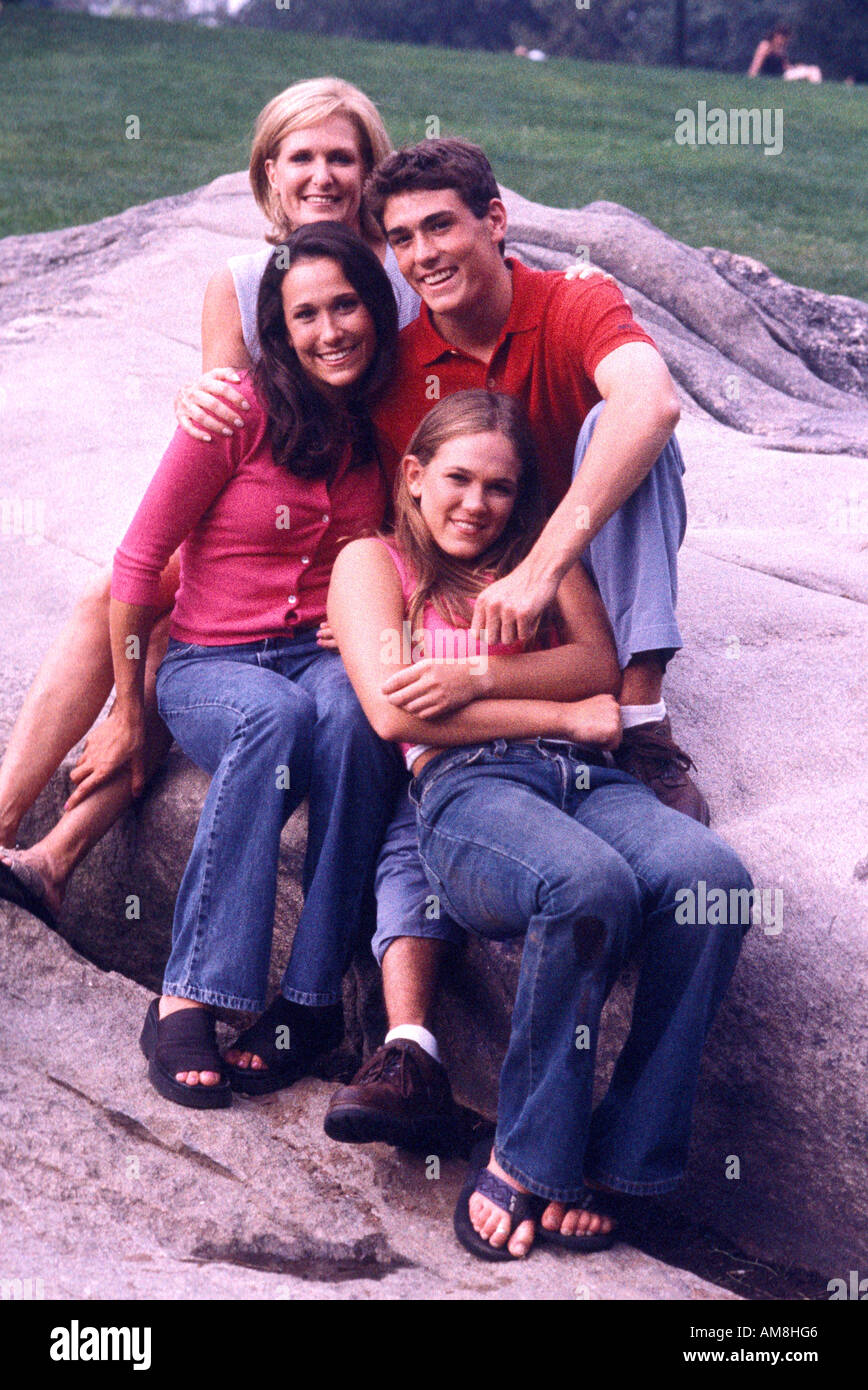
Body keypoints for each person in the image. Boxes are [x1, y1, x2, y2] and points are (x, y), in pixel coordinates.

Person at [184, 135, 711, 1147]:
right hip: (457, 596)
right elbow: (312, 425)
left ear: (496, 220)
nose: (422, 253)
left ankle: (647, 722)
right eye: (403, 238)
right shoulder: (402, 361)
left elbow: (653, 400)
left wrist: (545, 567)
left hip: (570, 557)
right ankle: (401, 1036)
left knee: (627, 430)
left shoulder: (572, 300)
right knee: (403, 766)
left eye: (441, 226)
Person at [328, 389, 752, 1258]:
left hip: (589, 781)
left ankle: (626, 1155)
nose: (476, 504)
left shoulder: (536, 566)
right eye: (456, 479)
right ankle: (528, 1157)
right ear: (412, 476)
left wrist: (479, 680)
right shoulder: (371, 565)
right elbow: (393, 713)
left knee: (715, 882)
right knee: (584, 884)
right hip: (470, 793)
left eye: (500, 487)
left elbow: (597, 660)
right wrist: (559, 712)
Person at [0, 77, 417, 925]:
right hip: (251, 526)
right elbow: (223, 430)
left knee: (166, 649)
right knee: (119, 599)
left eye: (343, 156)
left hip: (347, 532)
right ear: (269, 172)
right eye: (301, 156)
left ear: (372, 170)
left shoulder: (401, 284)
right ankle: (11, 825)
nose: (323, 175)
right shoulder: (237, 280)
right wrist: (197, 401)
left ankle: (57, 852)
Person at [105, 223, 403, 1107]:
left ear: (375, 312)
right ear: (279, 328)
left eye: (345, 305)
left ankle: (307, 1005)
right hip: (211, 664)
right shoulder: (232, 411)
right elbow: (135, 564)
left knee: (355, 713)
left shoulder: (379, 427)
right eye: (304, 314)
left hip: (318, 656)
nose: (330, 330)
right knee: (273, 716)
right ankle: (189, 992)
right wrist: (130, 706)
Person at [748, 24, 822, 82]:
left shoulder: (781, 49)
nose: (782, 41)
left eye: (784, 39)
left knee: (814, 69)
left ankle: (816, 89)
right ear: (775, 35)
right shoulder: (765, 45)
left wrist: (796, 67)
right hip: (778, 77)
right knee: (812, 71)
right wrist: (752, 76)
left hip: (784, 74)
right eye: (781, 37)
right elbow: (756, 63)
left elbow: (785, 66)